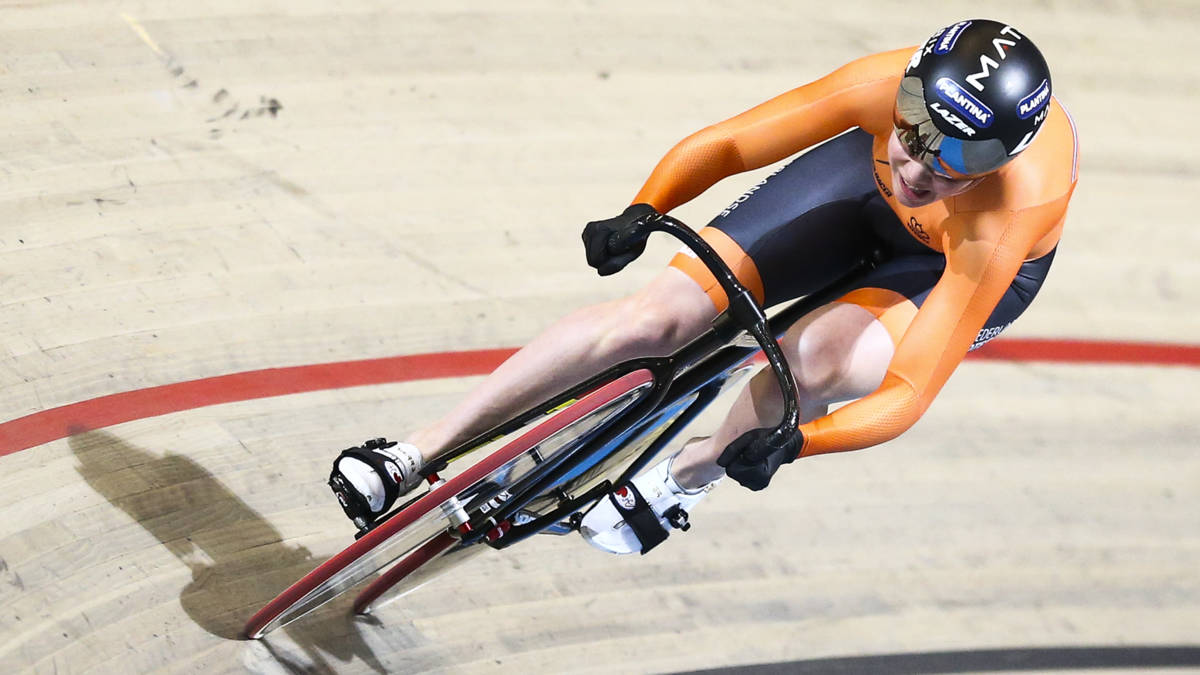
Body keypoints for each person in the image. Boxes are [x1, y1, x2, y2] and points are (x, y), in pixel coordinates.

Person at [329, 19, 1079, 554]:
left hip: (946, 265)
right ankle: (413, 452)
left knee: (816, 358)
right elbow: (728, 142)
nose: (918, 168)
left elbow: (911, 391)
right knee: (653, 319)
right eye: (912, 128)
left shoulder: (1010, 210)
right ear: (908, 90)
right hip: (859, 187)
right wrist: (644, 207)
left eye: (953, 160)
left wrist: (797, 441)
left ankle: (685, 475)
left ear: (998, 160)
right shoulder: (883, 87)